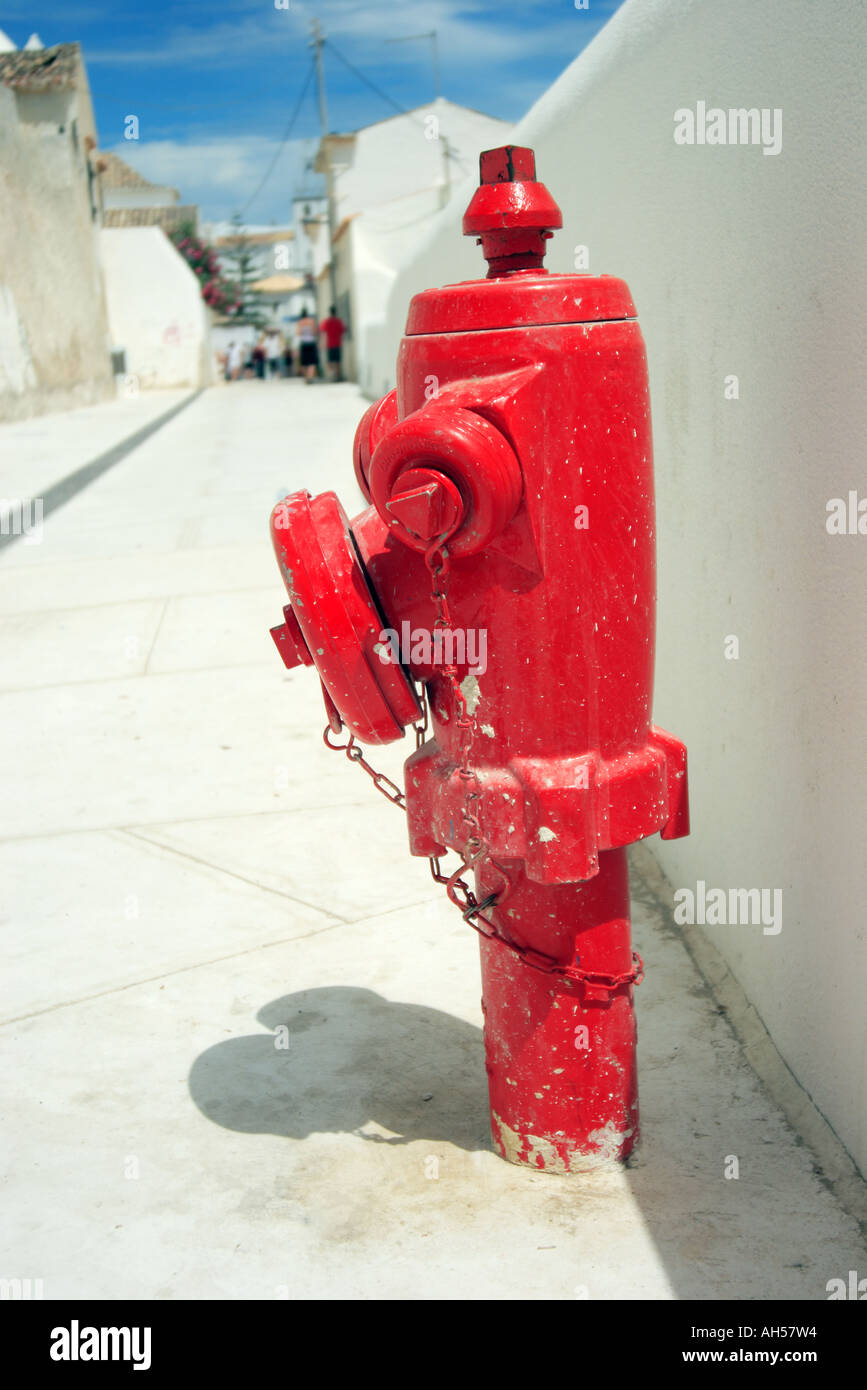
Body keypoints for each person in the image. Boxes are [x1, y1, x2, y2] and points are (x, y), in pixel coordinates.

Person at [320, 305, 347, 381]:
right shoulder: (339, 321)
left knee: (330, 361)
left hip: (330, 344)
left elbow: (322, 332)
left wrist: (322, 343)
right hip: (338, 343)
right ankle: (337, 376)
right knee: (338, 361)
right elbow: (344, 330)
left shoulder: (327, 321)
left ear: (330, 312)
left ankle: (333, 375)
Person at [296, 306, 319, 383]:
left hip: (304, 343)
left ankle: (306, 377)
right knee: (312, 362)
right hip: (311, 342)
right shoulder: (311, 321)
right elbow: (314, 332)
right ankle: (310, 377)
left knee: (304, 362)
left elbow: (298, 333)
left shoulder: (300, 322)